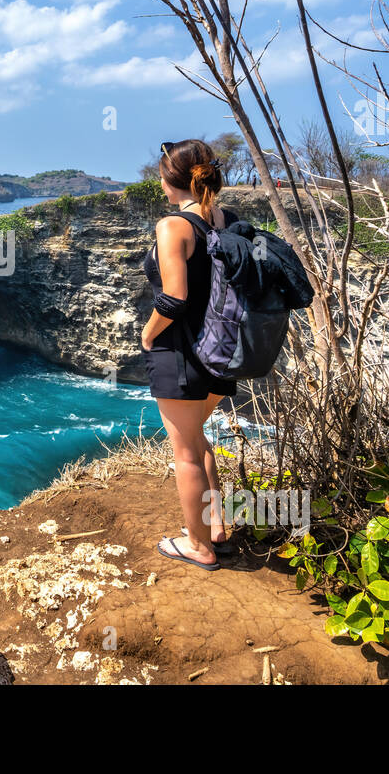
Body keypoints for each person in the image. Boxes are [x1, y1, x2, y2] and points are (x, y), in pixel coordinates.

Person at [140, 139, 239, 571]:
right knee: (199, 439)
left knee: (184, 453)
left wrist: (147, 335)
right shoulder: (225, 219)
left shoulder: (173, 226)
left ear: (168, 180)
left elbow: (174, 298)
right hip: (219, 350)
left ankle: (199, 547)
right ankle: (215, 526)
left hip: (181, 352)